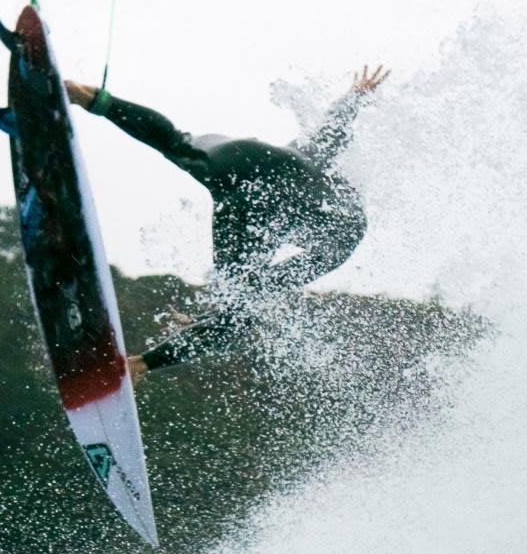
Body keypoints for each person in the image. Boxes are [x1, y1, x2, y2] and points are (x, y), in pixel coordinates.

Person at [65, 65, 388, 377]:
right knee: (240, 317)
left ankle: (89, 97)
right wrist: (218, 315)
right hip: (262, 195)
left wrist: (354, 97)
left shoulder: (314, 158)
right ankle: (139, 365)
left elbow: (333, 129)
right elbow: (259, 289)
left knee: (176, 142)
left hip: (244, 154)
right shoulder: (340, 239)